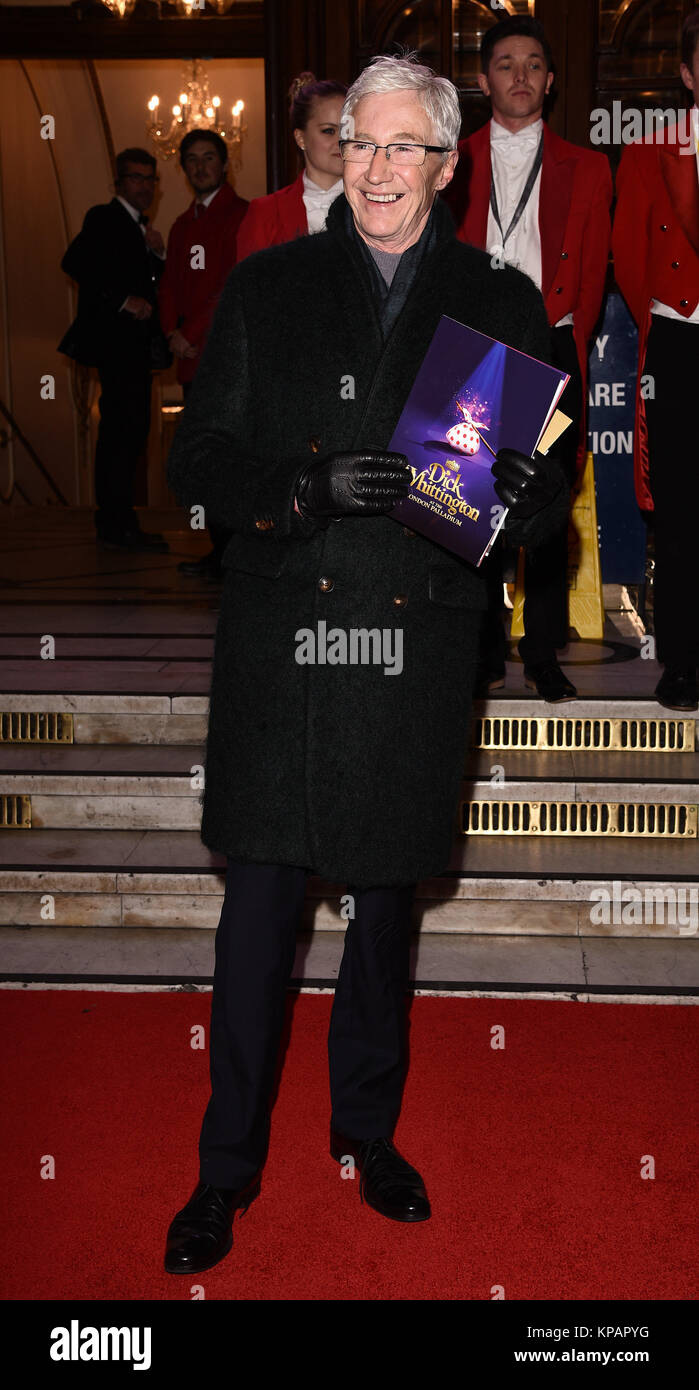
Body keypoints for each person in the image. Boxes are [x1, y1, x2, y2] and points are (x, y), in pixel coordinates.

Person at [163, 52, 569, 1276]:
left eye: (405, 149)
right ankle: (222, 1170)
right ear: (335, 154)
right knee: (257, 928)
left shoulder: (501, 302)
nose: (377, 169)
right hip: (285, 650)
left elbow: (542, 494)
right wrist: (297, 487)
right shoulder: (269, 285)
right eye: (360, 144)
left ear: (447, 167)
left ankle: (368, 1137)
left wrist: (527, 500)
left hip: (417, 649)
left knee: (384, 925)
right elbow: (200, 470)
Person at [444, 15, 612, 703]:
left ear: (548, 78)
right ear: (484, 81)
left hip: (551, 340)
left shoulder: (589, 164)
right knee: (470, 497)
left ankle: (541, 651)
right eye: (505, 63)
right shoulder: (447, 157)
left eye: (533, 63)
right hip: (471, 347)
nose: (520, 75)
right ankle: (480, 648)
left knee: (545, 499)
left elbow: (598, 272)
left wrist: (559, 337)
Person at [612, 7, 699, 712]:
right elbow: (629, 261)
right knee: (676, 513)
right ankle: (680, 659)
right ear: (686, 72)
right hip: (675, 342)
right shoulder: (648, 151)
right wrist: (671, 317)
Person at [58, 147, 170, 552]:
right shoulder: (104, 216)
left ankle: (118, 520)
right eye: (136, 178)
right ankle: (116, 521)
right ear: (119, 183)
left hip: (133, 347)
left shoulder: (141, 228)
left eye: (149, 179)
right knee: (122, 432)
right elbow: (74, 262)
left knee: (129, 430)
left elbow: (150, 285)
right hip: (117, 345)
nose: (144, 186)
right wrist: (122, 300)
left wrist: (156, 255)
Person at [158, 130, 249, 581]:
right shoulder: (179, 225)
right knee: (202, 459)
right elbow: (170, 285)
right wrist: (171, 332)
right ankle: (219, 549)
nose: (200, 167)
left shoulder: (243, 215)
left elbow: (233, 283)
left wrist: (191, 332)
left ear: (224, 162)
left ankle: (236, 551)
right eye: (191, 160)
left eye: (208, 158)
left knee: (229, 456)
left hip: (227, 356)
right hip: (192, 357)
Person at [236, 72, 347, 260]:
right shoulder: (266, 213)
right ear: (300, 138)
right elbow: (247, 286)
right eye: (329, 130)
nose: (341, 140)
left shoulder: (375, 202)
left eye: (348, 130)